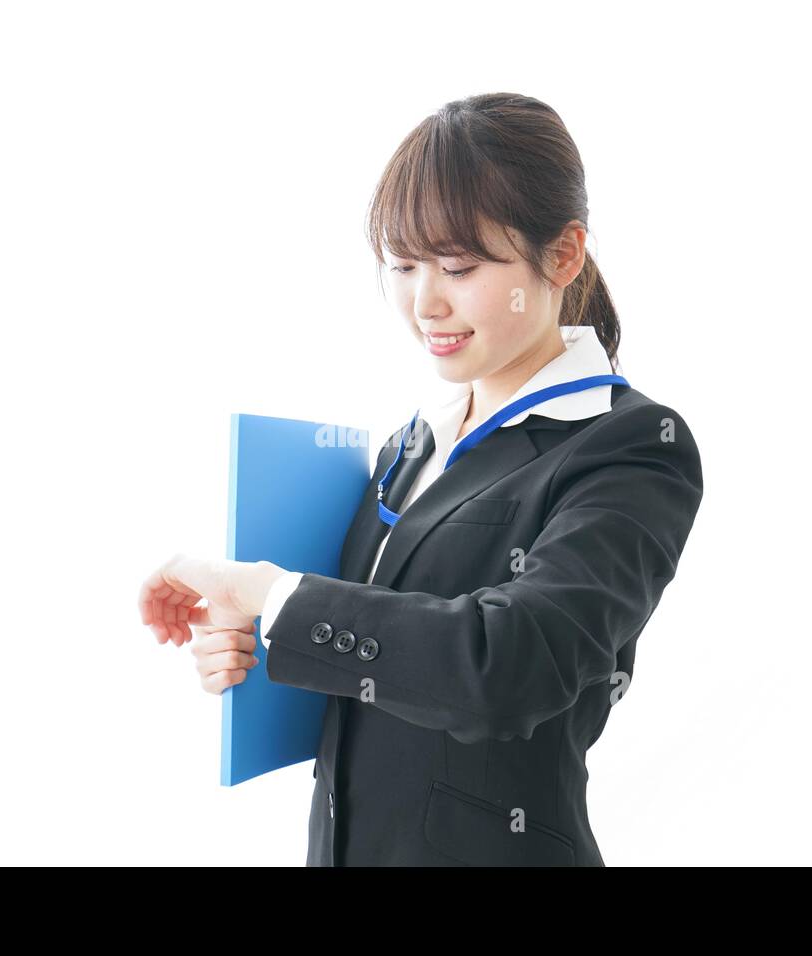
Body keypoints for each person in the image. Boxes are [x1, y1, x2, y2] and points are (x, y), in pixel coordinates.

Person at [138, 92, 704, 866]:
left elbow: (508, 667)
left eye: (460, 267)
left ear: (563, 255)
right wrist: (253, 645)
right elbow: (379, 666)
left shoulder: (631, 446)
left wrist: (275, 595)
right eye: (402, 266)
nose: (424, 302)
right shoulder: (409, 445)